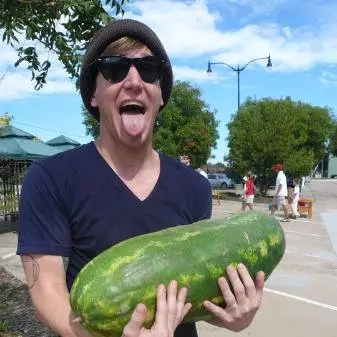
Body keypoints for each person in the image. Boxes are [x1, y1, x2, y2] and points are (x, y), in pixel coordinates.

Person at [16, 19, 265, 337]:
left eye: (148, 69)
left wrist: (231, 314)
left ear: (160, 95)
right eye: (115, 68)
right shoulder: (50, 179)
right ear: (93, 94)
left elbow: (191, 297)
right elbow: (47, 291)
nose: (134, 81)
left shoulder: (195, 187)